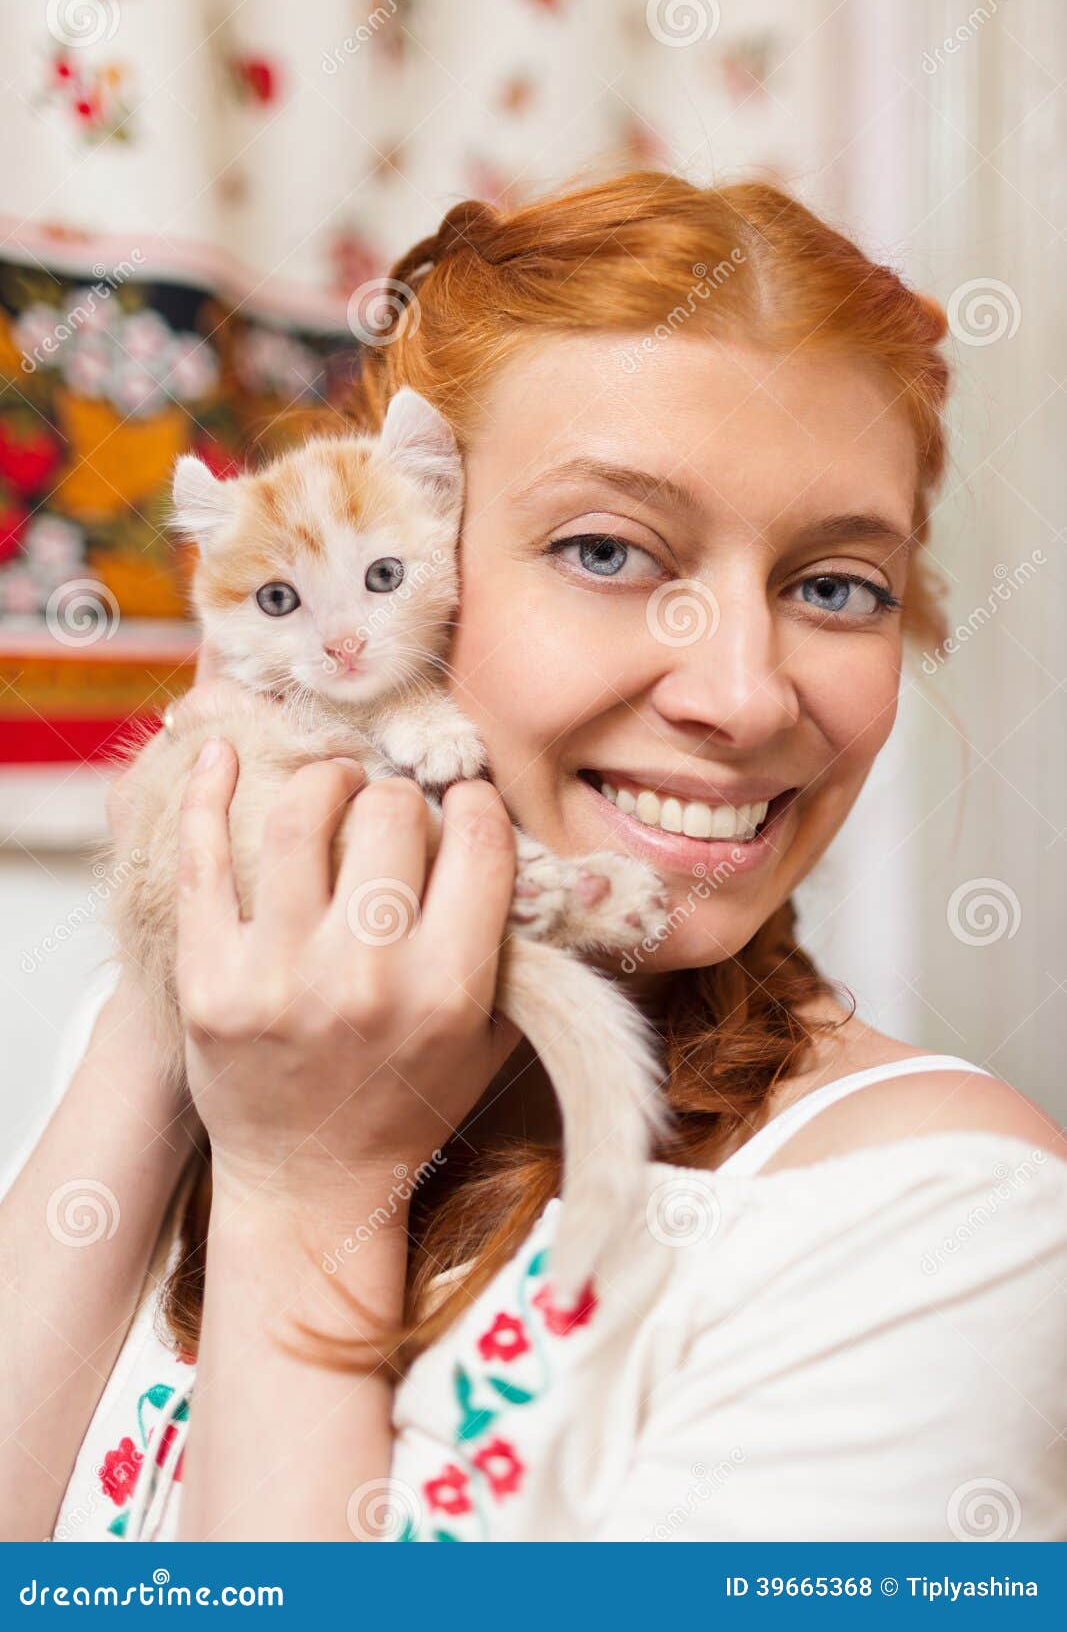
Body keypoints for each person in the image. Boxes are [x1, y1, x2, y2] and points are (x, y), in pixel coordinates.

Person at [3, 174, 1065, 1543]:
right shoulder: (232, 1018)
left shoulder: (943, 1227)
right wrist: (206, 844)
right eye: (609, 550)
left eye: (834, 585)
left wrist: (307, 1190)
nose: (744, 695)